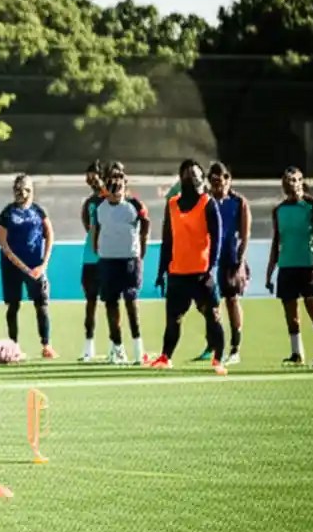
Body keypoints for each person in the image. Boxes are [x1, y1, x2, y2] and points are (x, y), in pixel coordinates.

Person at [150, 160, 226, 374]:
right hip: (177, 273)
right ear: (180, 179)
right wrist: (161, 271)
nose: (191, 179)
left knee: (212, 315)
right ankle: (166, 357)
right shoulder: (172, 205)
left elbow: (217, 238)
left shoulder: (208, 204)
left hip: (201, 274)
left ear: (201, 179)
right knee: (173, 319)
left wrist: (211, 266)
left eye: (195, 175)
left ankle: (218, 358)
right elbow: (168, 240)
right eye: (186, 175)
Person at [265, 167, 313, 369]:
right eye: (287, 180)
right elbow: (277, 241)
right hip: (287, 266)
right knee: (290, 313)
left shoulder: (312, 206)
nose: (290, 184)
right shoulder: (279, 210)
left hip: (307, 265)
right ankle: (297, 353)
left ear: (301, 181)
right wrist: (270, 271)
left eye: (294, 180)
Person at [92, 169, 150, 364]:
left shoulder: (134, 206)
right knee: (110, 303)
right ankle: (117, 348)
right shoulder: (100, 208)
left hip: (129, 261)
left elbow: (146, 225)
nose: (115, 189)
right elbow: (97, 229)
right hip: (107, 260)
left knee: (131, 303)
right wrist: (97, 249)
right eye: (111, 185)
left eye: (119, 185)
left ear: (125, 186)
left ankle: (138, 349)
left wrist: (141, 251)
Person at [0, 174, 57, 358]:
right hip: (12, 267)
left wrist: (43, 264)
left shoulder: (39, 211)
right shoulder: (7, 213)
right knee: (13, 306)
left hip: (35, 267)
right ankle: (14, 347)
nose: (23, 193)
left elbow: (49, 234)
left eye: (27, 189)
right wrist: (21, 266)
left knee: (42, 305)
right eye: (19, 189)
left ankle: (46, 345)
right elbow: (2, 242)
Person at [200, 162, 251, 365]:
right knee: (207, 303)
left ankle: (235, 347)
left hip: (231, 258)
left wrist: (240, 259)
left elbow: (245, 233)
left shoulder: (239, 202)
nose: (217, 185)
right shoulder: (206, 201)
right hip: (209, 258)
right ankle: (212, 344)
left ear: (228, 180)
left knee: (231, 300)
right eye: (213, 181)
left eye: (220, 181)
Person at [79, 161, 106, 361]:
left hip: (109, 258)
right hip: (90, 258)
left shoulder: (113, 199)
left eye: (93, 175)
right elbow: (88, 225)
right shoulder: (89, 202)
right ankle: (89, 347)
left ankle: (117, 345)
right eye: (88, 177)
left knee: (112, 303)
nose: (91, 180)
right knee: (90, 301)